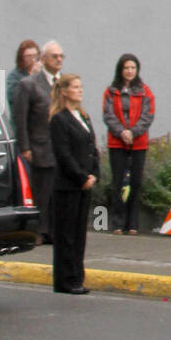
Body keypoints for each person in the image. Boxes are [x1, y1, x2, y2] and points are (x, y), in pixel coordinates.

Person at [47, 73, 99, 294]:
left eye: (81, 86)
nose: (80, 90)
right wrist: (80, 177)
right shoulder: (59, 119)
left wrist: (94, 173)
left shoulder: (83, 117)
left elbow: (92, 148)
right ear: (65, 91)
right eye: (75, 87)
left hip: (84, 183)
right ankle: (65, 280)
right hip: (68, 185)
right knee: (66, 234)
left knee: (79, 233)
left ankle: (77, 276)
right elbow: (64, 154)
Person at [15, 38, 64, 242]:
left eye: (61, 56)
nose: (59, 60)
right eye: (54, 56)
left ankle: (54, 231)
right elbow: (20, 117)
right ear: (43, 59)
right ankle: (39, 231)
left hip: (60, 147)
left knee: (56, 193)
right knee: (41, 193)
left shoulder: (64, 83)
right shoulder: (29, 84)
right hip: (39, 146)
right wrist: (25, 146)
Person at [101, 53, 154, 235]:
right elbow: (108, 115)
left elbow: (148, 115)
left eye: (133, 68)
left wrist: (133, 132)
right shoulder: (111, 91)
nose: (130, 71)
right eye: (126, 68)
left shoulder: (145, 91)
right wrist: (122, 132)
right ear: (120, 70)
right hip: (117, 142)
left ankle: (132, 223)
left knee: (136, 182)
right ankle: (117, 222)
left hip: (138, 143)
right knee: (118, 182)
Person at [6, 39, 39, 143]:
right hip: (23, 132)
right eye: (29, 56)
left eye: (35, 56)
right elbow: (16, 100)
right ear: (21, 58)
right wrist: (32, 76)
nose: (33, 60)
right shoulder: (14, 76)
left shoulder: (43, 74)